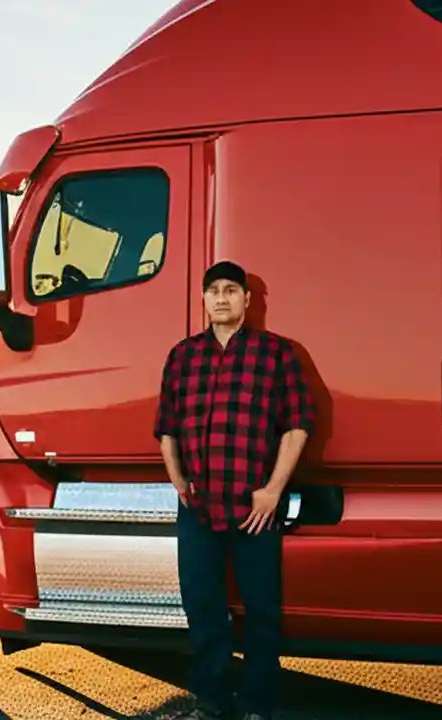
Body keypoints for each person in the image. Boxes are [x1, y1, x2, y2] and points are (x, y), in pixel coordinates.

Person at [153, 260, 315, 720]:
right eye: (213, 290)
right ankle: (211, 702)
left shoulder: (275, 354)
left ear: (247, 299)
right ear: (203, 299)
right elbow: (166, 426)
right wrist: (177, 478)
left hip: (254, 508)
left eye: (231, 290)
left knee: (262, 612)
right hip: (198, 507)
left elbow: (298, 425)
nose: (221, 298)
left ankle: (259, 705)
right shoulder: (182, 356)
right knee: (203, 610)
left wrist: (271, 491)